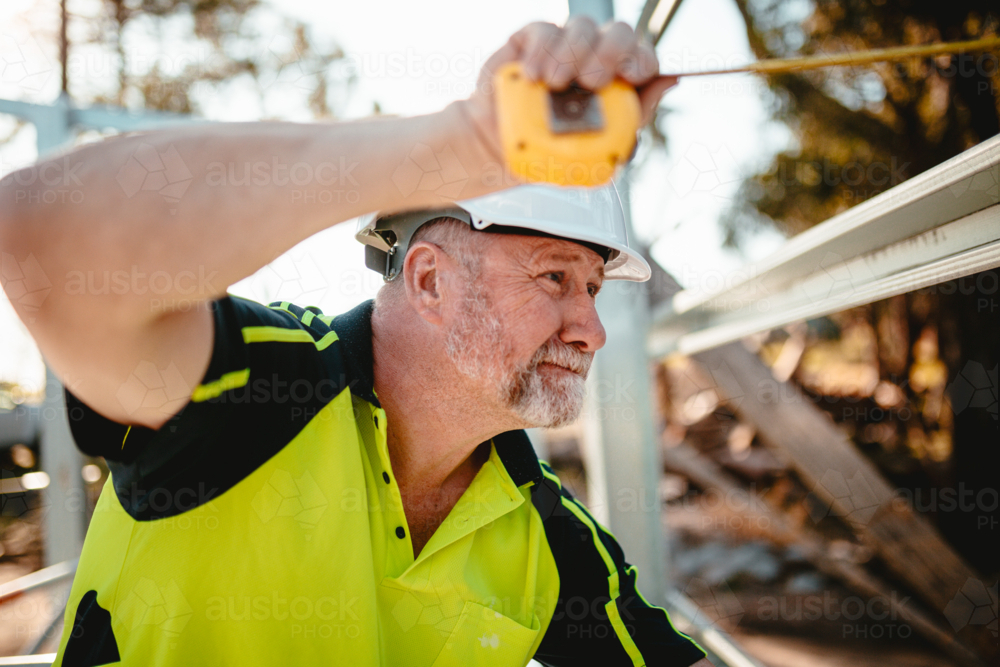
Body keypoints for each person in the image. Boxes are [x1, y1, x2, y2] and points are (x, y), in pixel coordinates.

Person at [0, 17, 714, 667]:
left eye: (592, 287)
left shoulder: (547, 530)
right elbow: (39, 234)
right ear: (430, 282)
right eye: (554, 275)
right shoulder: (250, 386)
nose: (592, 328)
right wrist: (471, 141)